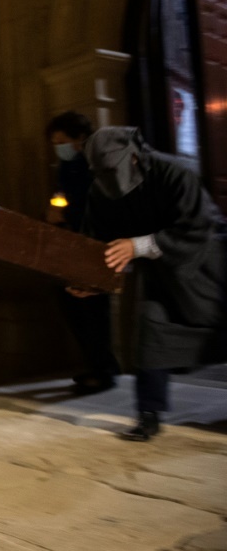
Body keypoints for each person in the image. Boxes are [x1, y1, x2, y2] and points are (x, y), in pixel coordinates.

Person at [69, 126, 226, 441]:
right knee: (151, 333)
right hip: (160, 274)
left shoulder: (176, 173)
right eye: (98, 172)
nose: (106, 178)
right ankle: (148, 415)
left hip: (209, 268)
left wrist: (137, 246)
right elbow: (98, 245)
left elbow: (197, 227)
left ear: (135, 158)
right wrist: (92, 282)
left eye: (112, 169)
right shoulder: (102, 191)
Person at [45, 112, 121, 394]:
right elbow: (63, 197)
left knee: (94, 309)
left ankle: (103, 371)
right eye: (54, 142)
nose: (59, 147)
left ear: (80, 138)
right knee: (72, 304)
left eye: (62, 141)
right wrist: (57, 213)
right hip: (74, 244)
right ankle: (97, 364)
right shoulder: (65, 167)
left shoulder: (97, 164)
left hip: (97, 244)